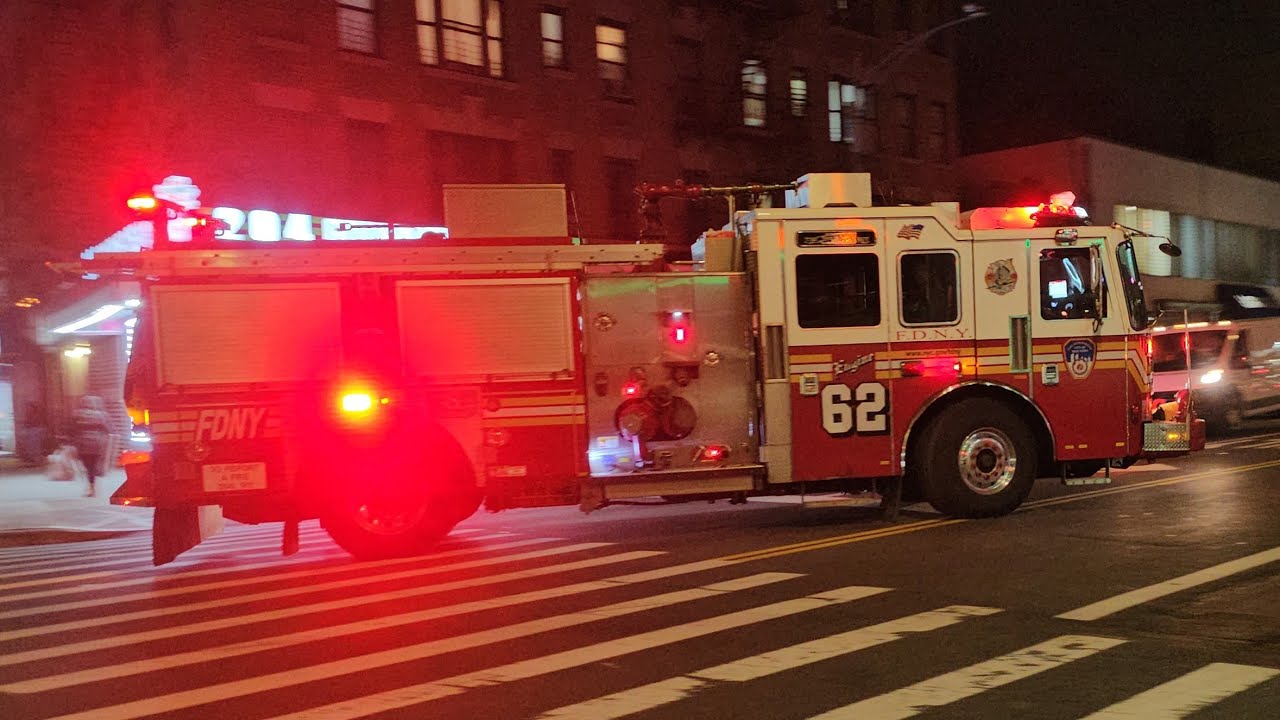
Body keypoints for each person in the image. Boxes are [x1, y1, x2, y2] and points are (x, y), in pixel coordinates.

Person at [71, 395, 111, 498]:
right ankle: (92, 486)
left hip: (83, 445)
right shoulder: (101, 415)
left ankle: (91, 487)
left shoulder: (78, 414)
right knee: (93, 466)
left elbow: (73, 429)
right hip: (97, 444)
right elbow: (107, 429)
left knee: (88, 466)